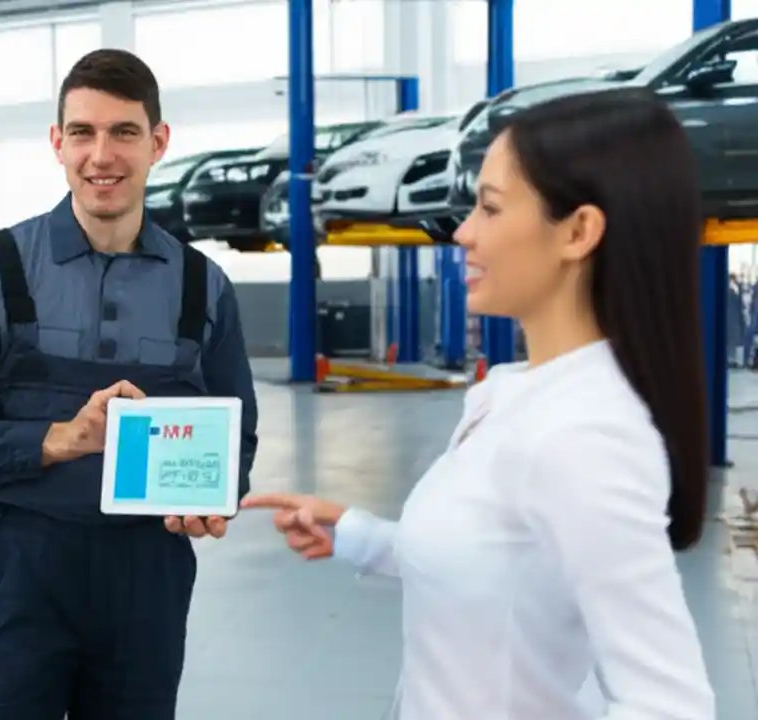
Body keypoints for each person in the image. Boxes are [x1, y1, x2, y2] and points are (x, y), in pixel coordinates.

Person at [243, 88, 716, 719]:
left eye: (490, 209)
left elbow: (670, 704)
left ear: (578, 231)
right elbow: (506, 565)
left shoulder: (586, 434)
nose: (463, 232)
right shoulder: (520, 388)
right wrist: (361, 535)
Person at [0, 48, 259, 719]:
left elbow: (236, 436)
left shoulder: (202, 286)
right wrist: (62, 439)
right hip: (19, 570)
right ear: (56, 144)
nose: (103, 154)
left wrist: (216, 497)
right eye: (83, 133)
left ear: (158, 142)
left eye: (124, 132)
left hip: (148, 578)